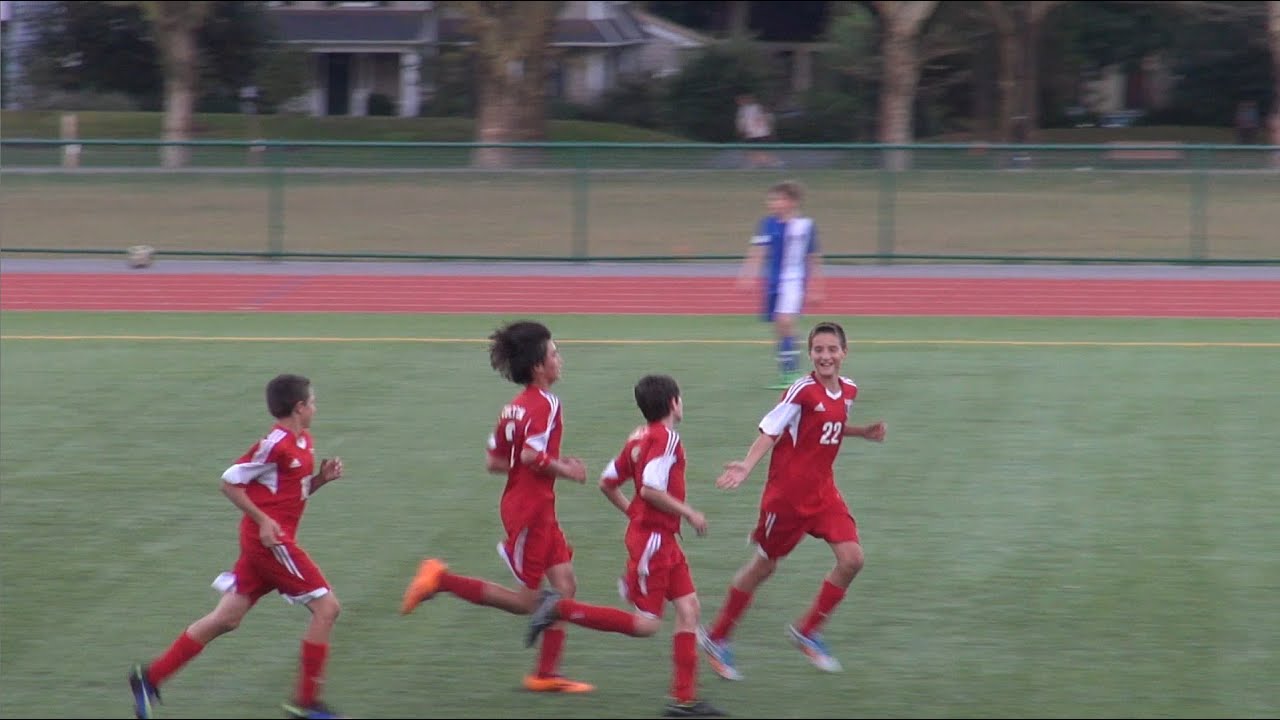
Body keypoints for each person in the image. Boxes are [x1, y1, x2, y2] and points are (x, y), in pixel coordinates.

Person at [127, 374, 347, 720]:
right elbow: (230, 483)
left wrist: (320, 480)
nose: (316, 407)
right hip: (269, 544)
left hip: (271, 542)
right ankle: (306, 704)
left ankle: (148, 677)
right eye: (313, 401)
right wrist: (262, 520)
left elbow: (292, 494)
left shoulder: (305, 443)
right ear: (299, 407)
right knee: (327, 607)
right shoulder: (275, 444)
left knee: (226, 618)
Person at [399, 320, 594, 693]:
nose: (560, 359)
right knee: (525, 601)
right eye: (555, 354)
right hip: (530, 511)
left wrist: (547, 465)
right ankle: (441, 579)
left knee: (565, 584)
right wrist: (566, 469)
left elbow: (495, 461)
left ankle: (547, 673)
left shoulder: (513, 408)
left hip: (535, 505)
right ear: (538, 367)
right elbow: (535, 456)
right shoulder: (546, 404)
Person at [525, 374, 725, 717]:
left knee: (689, 608)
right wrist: (689, 512)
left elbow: (607, 482)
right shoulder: (667, 440)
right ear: (674, 403)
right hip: (655, 544)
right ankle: (558, 609)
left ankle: (684, 701)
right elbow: (649, 489)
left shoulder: (639, 437)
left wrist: (636, 516)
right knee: (647, 624)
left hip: (659, 539)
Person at [698, 321, 886, 681]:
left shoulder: (848, 390)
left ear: (844, 353)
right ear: (810, 353)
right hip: (786, 501)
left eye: (832, 349)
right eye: (818, 350)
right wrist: (746, 466)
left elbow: (827, 424)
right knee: (763, 567)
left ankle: (808, 631)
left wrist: (861, 432)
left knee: (853, 559)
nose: (825, 356)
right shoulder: (800, 390)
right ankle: (716, 636)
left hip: (824, 494)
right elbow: (772, 430)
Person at [737, 180, 825, 389]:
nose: (773, 203)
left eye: (778, 199)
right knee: (779, 326)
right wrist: (748, 274)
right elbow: (758, 251)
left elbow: (813, 257)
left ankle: (793, 373)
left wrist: (817, 287)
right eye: (772, 199)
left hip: (794, 281)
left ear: (791, 202)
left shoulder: (805, 226)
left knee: (785, 321)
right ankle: (786, 371)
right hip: (773, 281)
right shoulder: (767, 224)